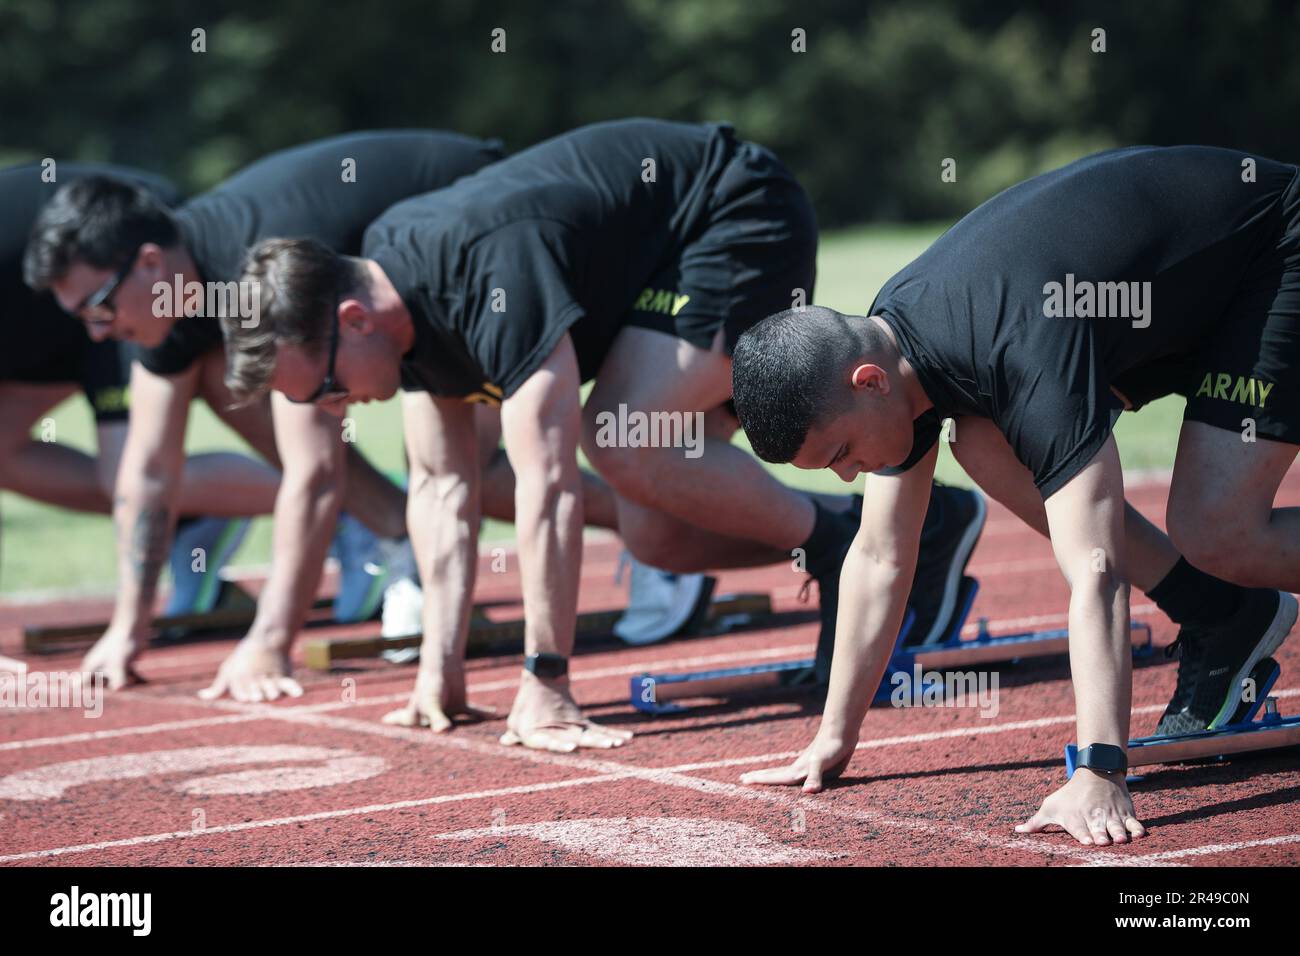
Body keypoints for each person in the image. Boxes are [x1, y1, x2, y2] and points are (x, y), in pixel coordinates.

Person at [220, 118, 986, 748]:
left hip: (729, 209)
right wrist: (437, 675)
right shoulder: (396, 309)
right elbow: (440, 486)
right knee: (656, 535)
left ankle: (859, 551)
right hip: (651, 264)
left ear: (355, 320)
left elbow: (548, 488)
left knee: (616, 439)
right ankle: (886, 533)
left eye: (323, 387)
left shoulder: (489, 278)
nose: (332, 410)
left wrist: (546, 679)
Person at [730, 145, 1300, 846]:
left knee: (1217, 531)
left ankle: (1221, 597)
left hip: (1272, 251)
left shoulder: (1017, 351)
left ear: (870, 382)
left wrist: (1100, 770)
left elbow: (1096, 569)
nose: (848, 477)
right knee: (983, 443)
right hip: (1166, 296)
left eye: (841, 455)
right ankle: (1221, 616)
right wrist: (833, 737)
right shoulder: (892, 348)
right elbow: (879, 556)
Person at [23, 131, 503, 698]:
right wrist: (128, 628)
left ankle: (635, 531)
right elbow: (146, 472)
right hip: (395, 282)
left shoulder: (255, 280)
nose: (97, 332)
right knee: (227, 380)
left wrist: (270, 640)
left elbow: (316, 471)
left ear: (149, 263)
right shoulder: (164, 300)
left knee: (465, 472)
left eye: (97, 308)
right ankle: (399, 537)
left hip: (485, 220)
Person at [1, 161, 271, 609]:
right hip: (68, 310)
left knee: (126, 474)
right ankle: (195, 520)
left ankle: (342, 503)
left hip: (117, 283)